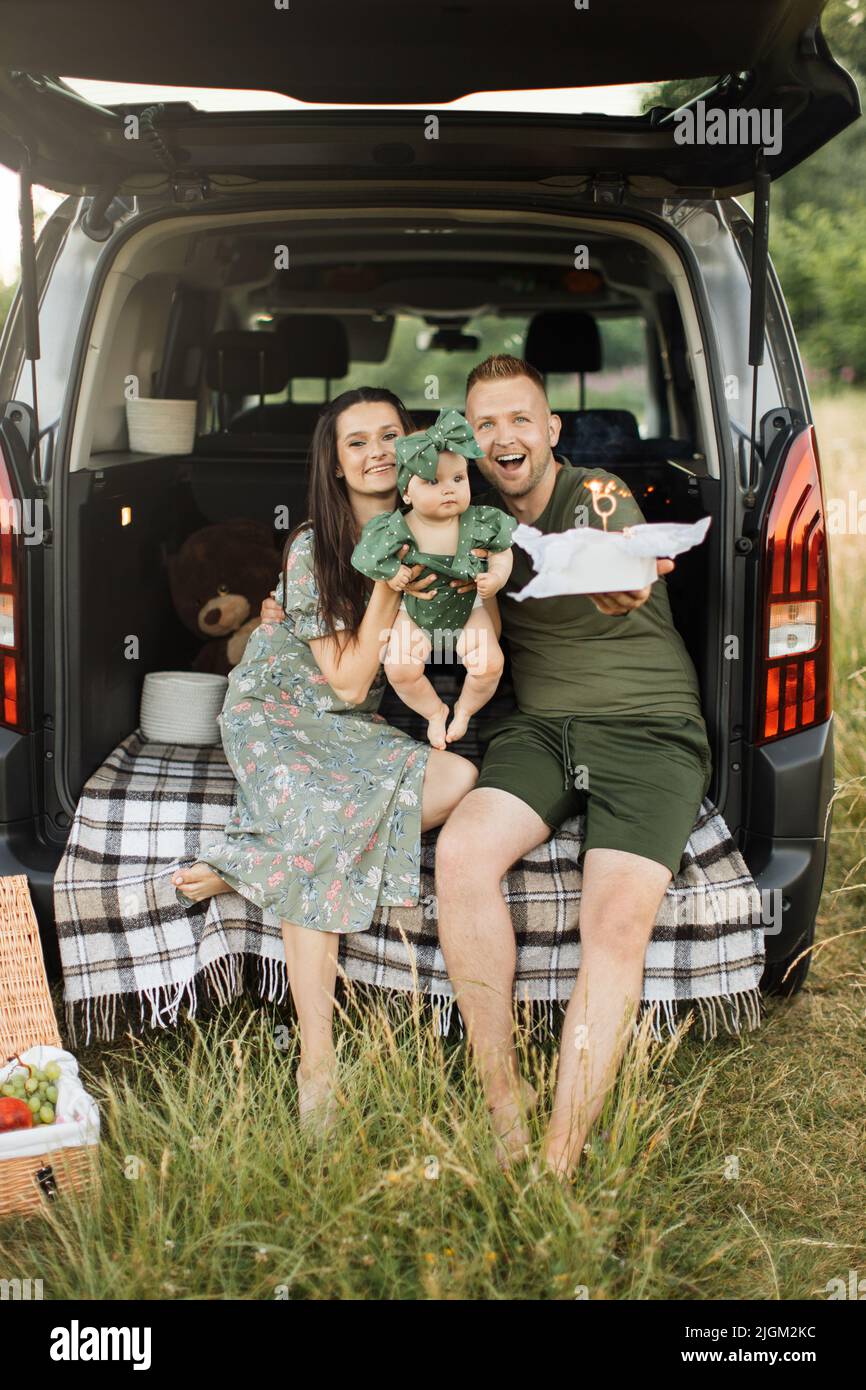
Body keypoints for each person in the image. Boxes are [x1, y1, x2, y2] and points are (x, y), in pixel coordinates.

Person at [430, 355, 712, 1178]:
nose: (503, 436)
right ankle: (503, 1111)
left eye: (521, 418)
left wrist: (621, 580)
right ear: (473, 442)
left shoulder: (593, 492)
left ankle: (559, 1158)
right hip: (542, 727)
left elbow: (618, 559)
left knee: (615, 924)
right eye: (486, 424)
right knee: (461, 855)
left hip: (650, 729)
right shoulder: (474, 517)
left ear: (552, 430)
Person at [172, 388, 479, 1133]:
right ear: (335, 466)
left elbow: (461, 622)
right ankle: (318, 1066)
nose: (375, 450)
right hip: (279, 711)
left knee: (459, 776)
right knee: (317, 825)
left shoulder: (441, 523)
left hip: (351, 725)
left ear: (410, 448)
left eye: (389, 435)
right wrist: (386, 584)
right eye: (356, 442)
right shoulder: (314, 545)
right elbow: (342, 679)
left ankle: (253, 860)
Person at [351, 408, 517, 749]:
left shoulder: (479, 520)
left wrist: (497, 576)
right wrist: (392, 574)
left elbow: (503, 549)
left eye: (458, 479)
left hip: (469, 610)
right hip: (413, 614)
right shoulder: (398, 525)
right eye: (432, 481)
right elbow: (366, 557)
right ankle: (434, 712)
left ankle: (465, 711)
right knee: (398, 667)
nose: (449, 490)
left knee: (490, 665)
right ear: (407, 493)